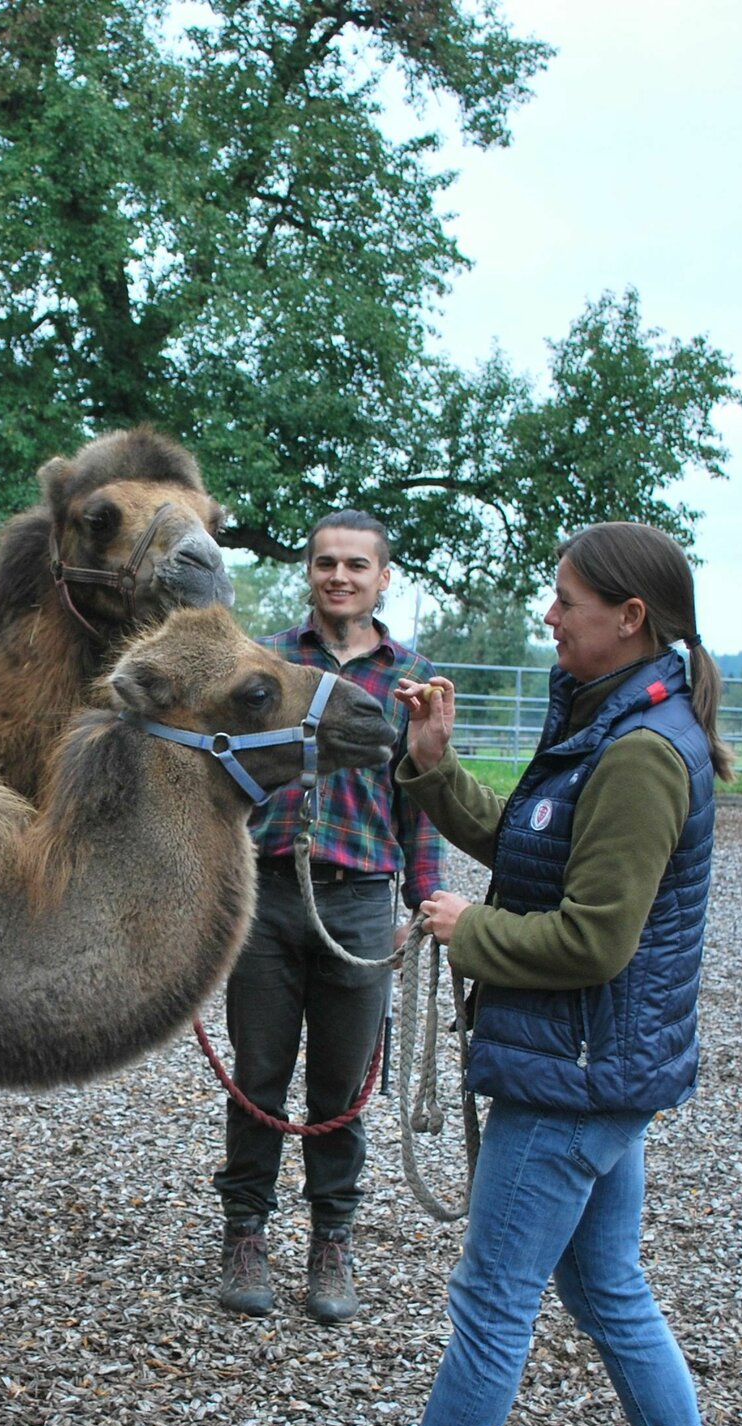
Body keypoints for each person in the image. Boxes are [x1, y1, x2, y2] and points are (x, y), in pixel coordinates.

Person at [261, 521, 742, 1426]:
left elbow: (593, 939)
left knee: (491, 1302)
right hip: (594, 1071)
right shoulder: (608, 723)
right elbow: (535, 843)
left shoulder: (635, 750)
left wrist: (462, 927)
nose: (548, 614)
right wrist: (432, 776)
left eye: (566, 600)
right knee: (611, 1293)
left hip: (570, 1074)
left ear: (628, 618)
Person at [214, 512, 445, 1323]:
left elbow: (422, 796)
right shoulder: (268, 664)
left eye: (356, 564)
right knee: (260, 1072)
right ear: (310, 574)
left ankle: (331, 1242)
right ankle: (245, 1231)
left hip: (356, 898)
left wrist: (421, 900)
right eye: (325, 563)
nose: (338, 576)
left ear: (383, 579)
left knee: (341, 1084)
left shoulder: (411, 676)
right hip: (270, 890)